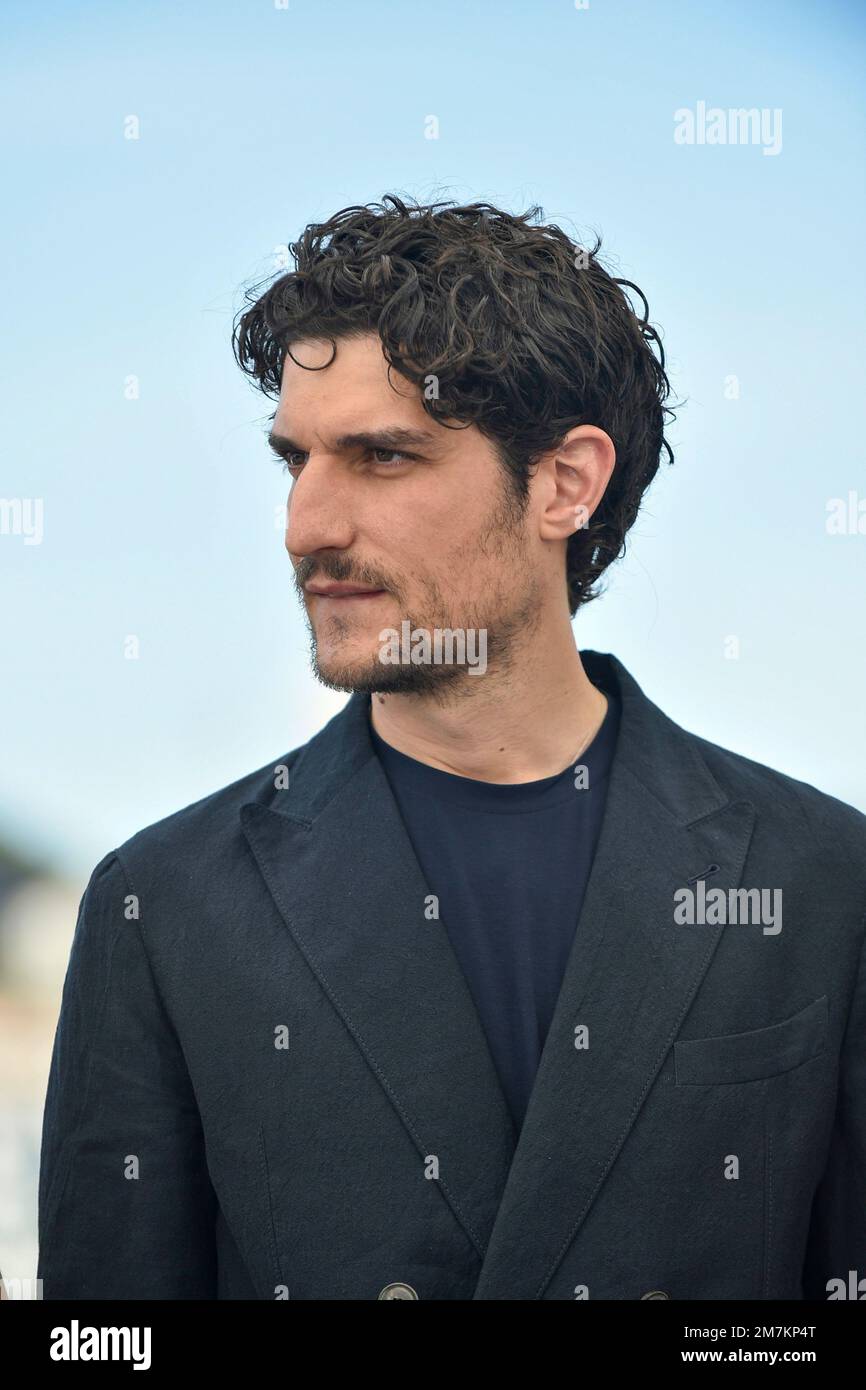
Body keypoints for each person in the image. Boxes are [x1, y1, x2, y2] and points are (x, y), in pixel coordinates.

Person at [37, 196, 866, 1300]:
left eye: (381, 456)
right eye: (295, 460)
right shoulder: (164, 901)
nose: (307, 526)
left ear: (565, 482)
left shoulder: (816, 878)